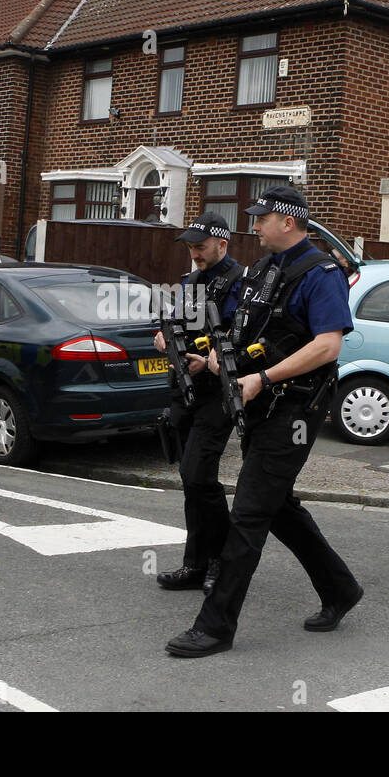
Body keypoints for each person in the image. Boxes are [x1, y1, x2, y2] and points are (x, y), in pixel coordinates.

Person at [166, 185, 362, 658]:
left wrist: (264, 377)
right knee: (278, 509)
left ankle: (215, 626)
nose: (253, 226)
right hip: (259, 405)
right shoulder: (263, 270)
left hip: (294, 409)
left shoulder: (321, 274)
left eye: (261, 218)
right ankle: (340, 590)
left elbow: (328, 345)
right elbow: (246, 331)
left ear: (288, 221)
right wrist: (212, 357)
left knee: (249, 514)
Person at [153, 212, 244, 595]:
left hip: (216, 392)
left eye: (201, 247)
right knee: (191, 481)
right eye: (190, 247)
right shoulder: (191, 281)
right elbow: (177, 323)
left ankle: (220, 564)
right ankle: (195, 563)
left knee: (199, 476)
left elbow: (238, 337)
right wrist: (163, 336)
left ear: (222, 244)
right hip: (185, 388)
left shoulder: (240, 283)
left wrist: (208, 359)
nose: (195, 254)